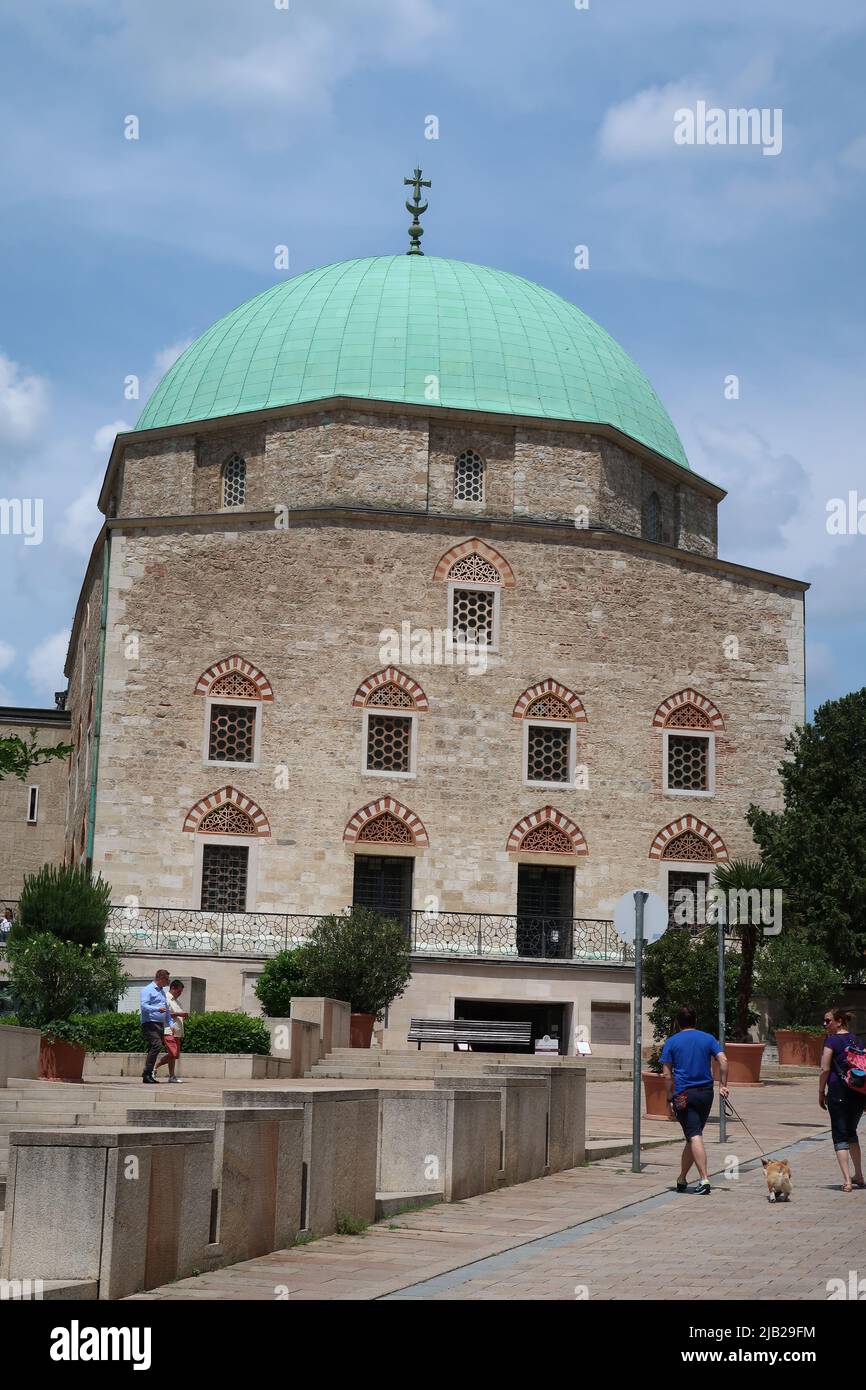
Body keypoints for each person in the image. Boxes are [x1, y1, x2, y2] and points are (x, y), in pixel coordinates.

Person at [661, 1004, 729, 1195]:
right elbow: (723, 1060)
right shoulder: (708, 1038)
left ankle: (704, 1179)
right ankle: (682, 1178)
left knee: (694, 1135)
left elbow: (666, 1073)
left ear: (677, 1022)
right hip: (706, 1093)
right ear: (696, 1020)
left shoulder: (672, 1042)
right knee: (692, 1135)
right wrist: (723, 1084)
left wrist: (669, 1096)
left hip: (684, 1094)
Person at [819, 1006, 866, 1192]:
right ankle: (859, 1176)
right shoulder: (857, 1040)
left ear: (839, 1022)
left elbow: (825, 1068)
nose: (825, 1024)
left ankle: (847, 1181)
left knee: (840, 1134)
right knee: (851, 1132)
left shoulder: (831, 1041)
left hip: (838, 1092)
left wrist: (821, 1092)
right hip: (858, 1092)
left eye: (828, 1021)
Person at [139, 969, 171, 1083]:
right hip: (150, 1023)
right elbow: (144, 1006)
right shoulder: (148, 989)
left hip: (159, 1024)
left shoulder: (162, 992)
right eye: (167, 980)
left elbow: (166, 1010)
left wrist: (171, 1023)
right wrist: (157, 1009)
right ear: (161, 978)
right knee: (156, 1045)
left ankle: (147, 1074)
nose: (168, 982)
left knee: (154, 1047)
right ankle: (147, 1073)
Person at [154, 980, 188, 1083]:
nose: (180, 993)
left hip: (177, 1031)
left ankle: (172, 1076)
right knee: (173, 1053)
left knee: (175, 1055)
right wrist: (179, 1014)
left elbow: (177, 1015)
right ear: (173, 988)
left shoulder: (177, 1002)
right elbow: (163, 1014)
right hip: (168, 1030)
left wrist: (183, 1016)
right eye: (179, 991)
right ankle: (154, 1067)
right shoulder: (165, 998)